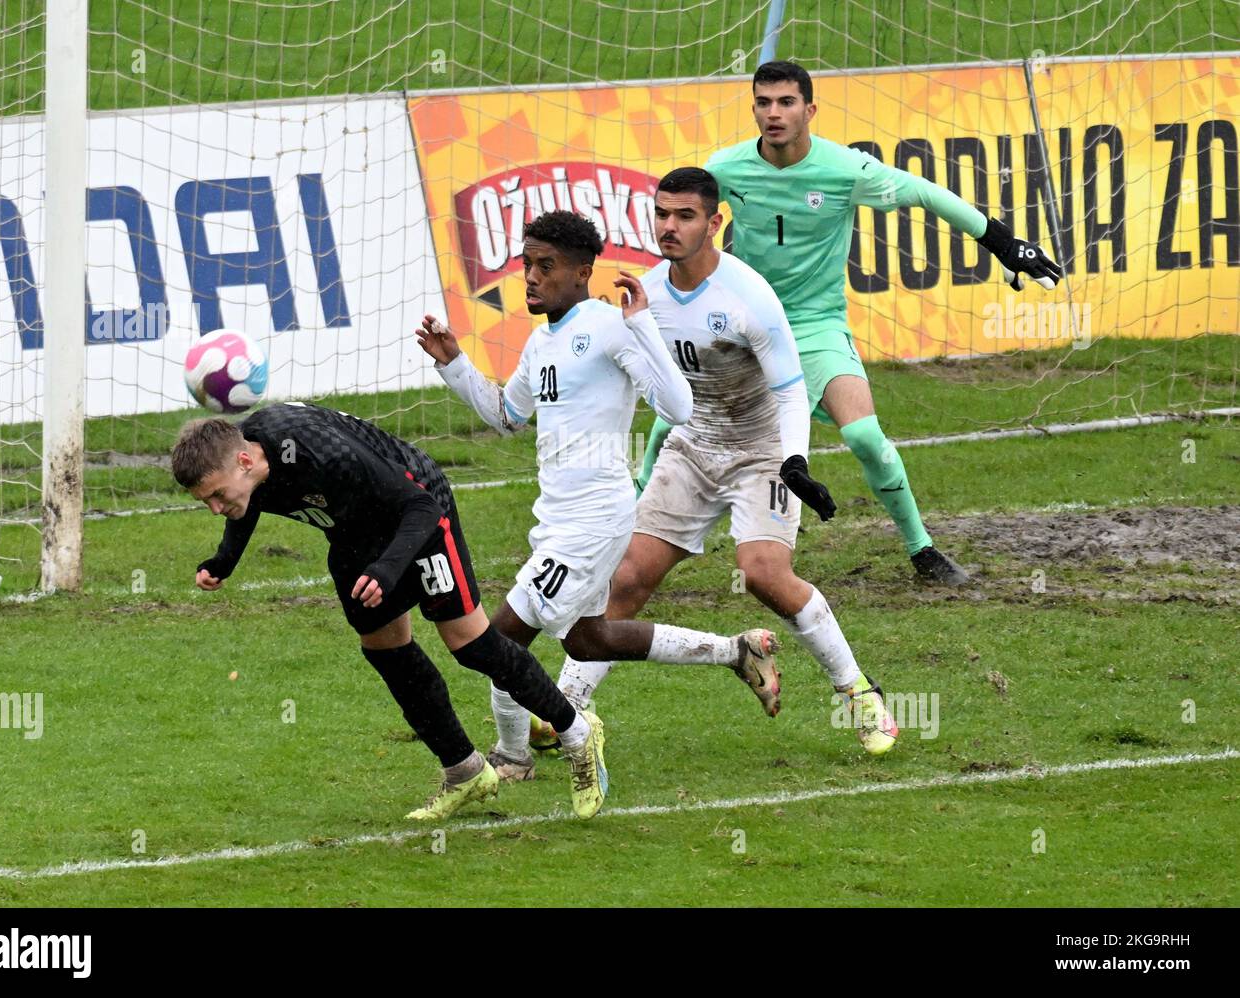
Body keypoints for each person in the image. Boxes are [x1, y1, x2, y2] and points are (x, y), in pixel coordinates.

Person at [639, 60, 1063, 587]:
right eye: (764, 102)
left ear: (809, 109)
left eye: (786, 102)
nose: (774, 114)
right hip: (744, 330)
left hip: (816, 328)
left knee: (863, 435)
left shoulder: (844, 170)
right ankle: (624, 537)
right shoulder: (725, 169)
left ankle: (922, 550)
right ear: (753, 108)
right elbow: (687, 218)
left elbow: (925, 193)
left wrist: (1002, 242)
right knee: (668, 424)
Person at [416, 210, 782, 784]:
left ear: (583, 271)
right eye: (527, 266)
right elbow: (508, 416)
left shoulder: (611, 328)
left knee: (499, 637)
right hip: (557, 519)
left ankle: (512, 758)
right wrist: (455, 364)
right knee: (590, 639)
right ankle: (737, 651)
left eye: (546, 266)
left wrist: (642, 327)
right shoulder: (541, 341)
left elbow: (678, 407)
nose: (531, 278)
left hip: (597, 517)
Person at [552, 167, 899, 756]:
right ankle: (563, 711)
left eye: (685, 216)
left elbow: (791, 389)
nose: (669, 226)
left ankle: (858, 692)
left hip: (761, 450)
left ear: (714, 223)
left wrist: (794, 463)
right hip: (692, 446)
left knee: (764, 573)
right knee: (627, 579)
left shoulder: (750, 296)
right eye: (662, 214)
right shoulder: (646, 294)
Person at [171, 402, 610, 820]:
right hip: (354, 532)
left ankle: (577, 736)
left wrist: (386, 570)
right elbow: (245, 502)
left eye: (216, 495)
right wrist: (223, 561)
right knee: (385, 649)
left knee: (470, 644)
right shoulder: (245, 460)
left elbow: (419, 506)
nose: (215, 508)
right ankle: (465, 771)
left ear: (245, 462)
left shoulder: (324, 454)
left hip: (416, 511)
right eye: (204, 501)